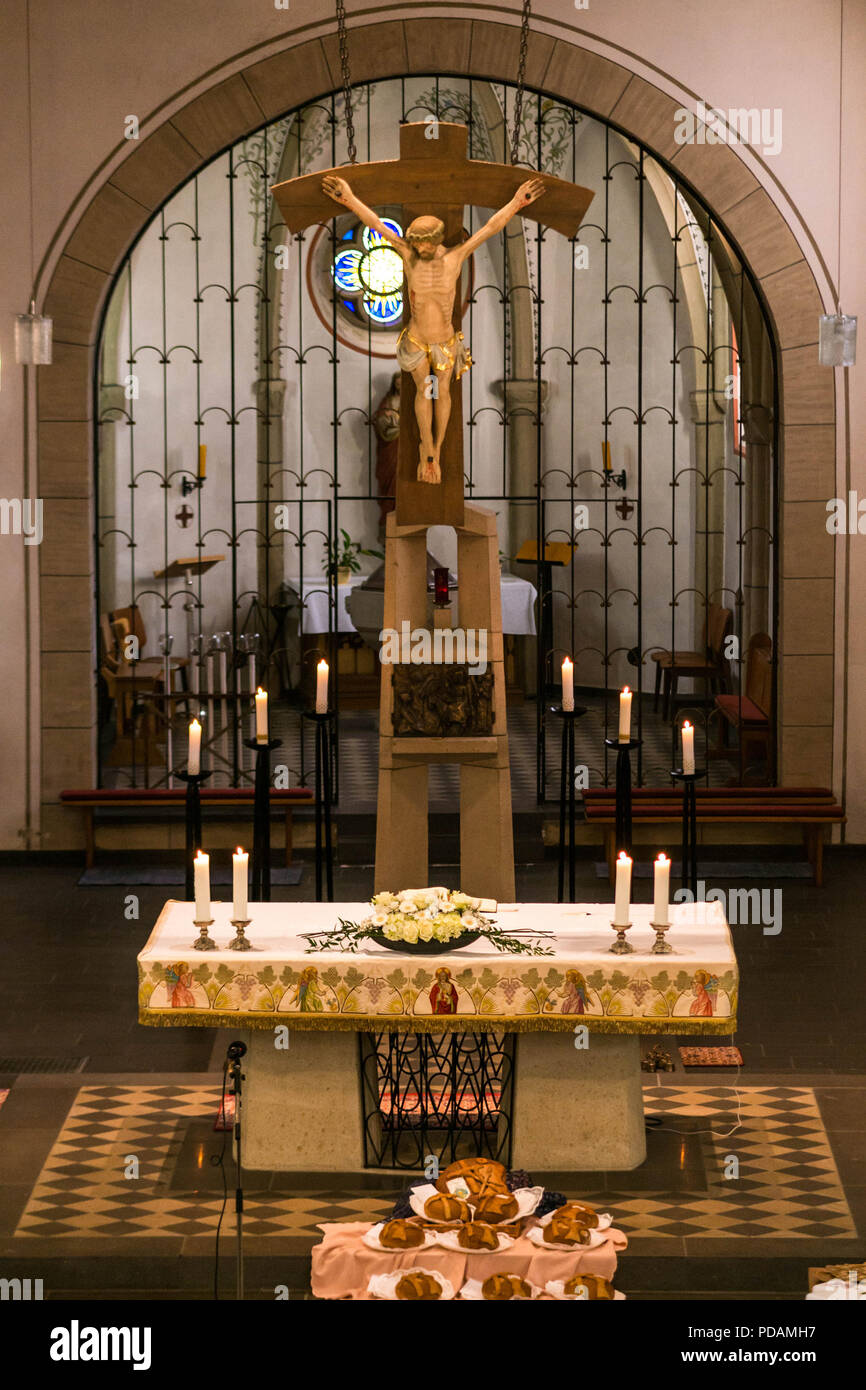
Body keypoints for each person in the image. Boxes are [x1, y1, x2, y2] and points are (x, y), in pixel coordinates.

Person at [322, 173, 546, 482]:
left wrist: (517, 202)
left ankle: (436, 452)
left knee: (442, 394)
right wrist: (348, 199)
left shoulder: (455, 258)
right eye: (417, 244)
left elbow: (490, 228)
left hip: (443, 342)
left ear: (437, 240)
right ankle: (426, 450)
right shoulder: (409, 255)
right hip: (416, 341)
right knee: (423, 394)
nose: (420, 249)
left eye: (425, 245)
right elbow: (376, 224)